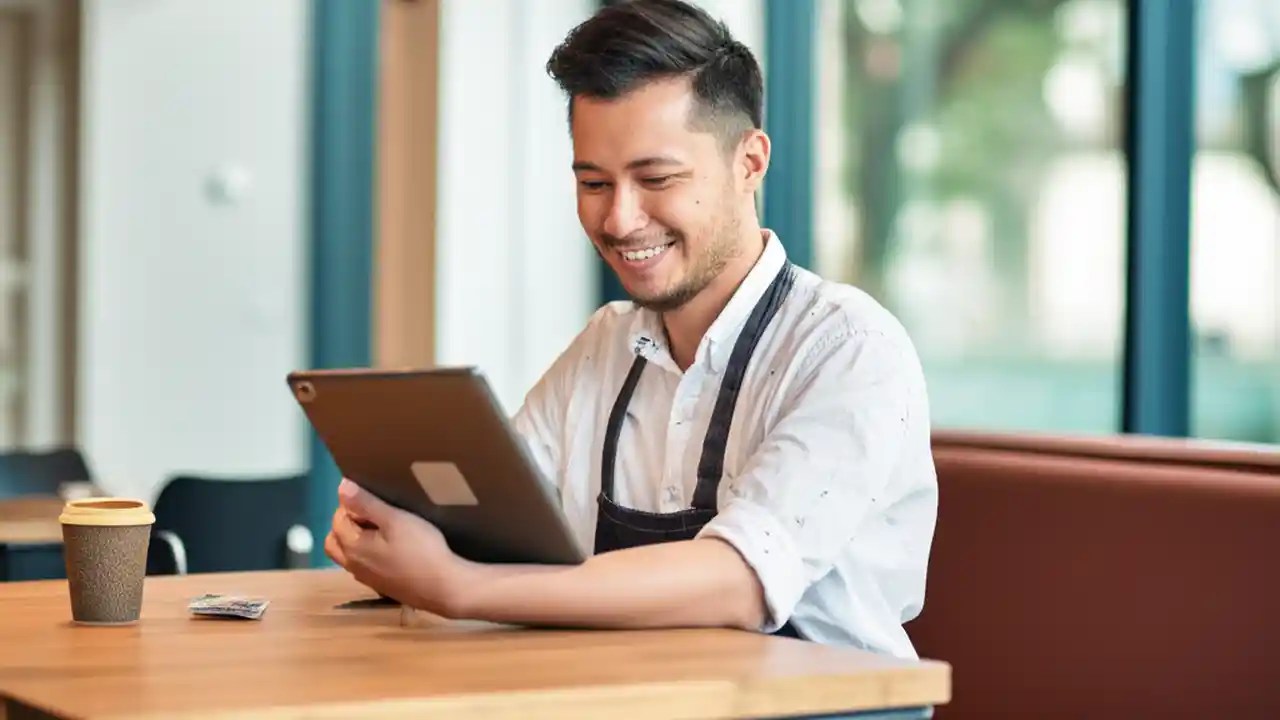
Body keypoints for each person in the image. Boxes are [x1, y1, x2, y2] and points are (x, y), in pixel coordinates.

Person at [324, 0, 937, 659]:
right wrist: (401, 538)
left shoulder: (847, 349)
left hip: (830, 701)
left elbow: (739, 582)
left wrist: (460, 586)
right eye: (594, 183)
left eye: (656, 178)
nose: (619, 219)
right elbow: (499, 524)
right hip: (635, 691)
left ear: (749, 163)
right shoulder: (605, 344)